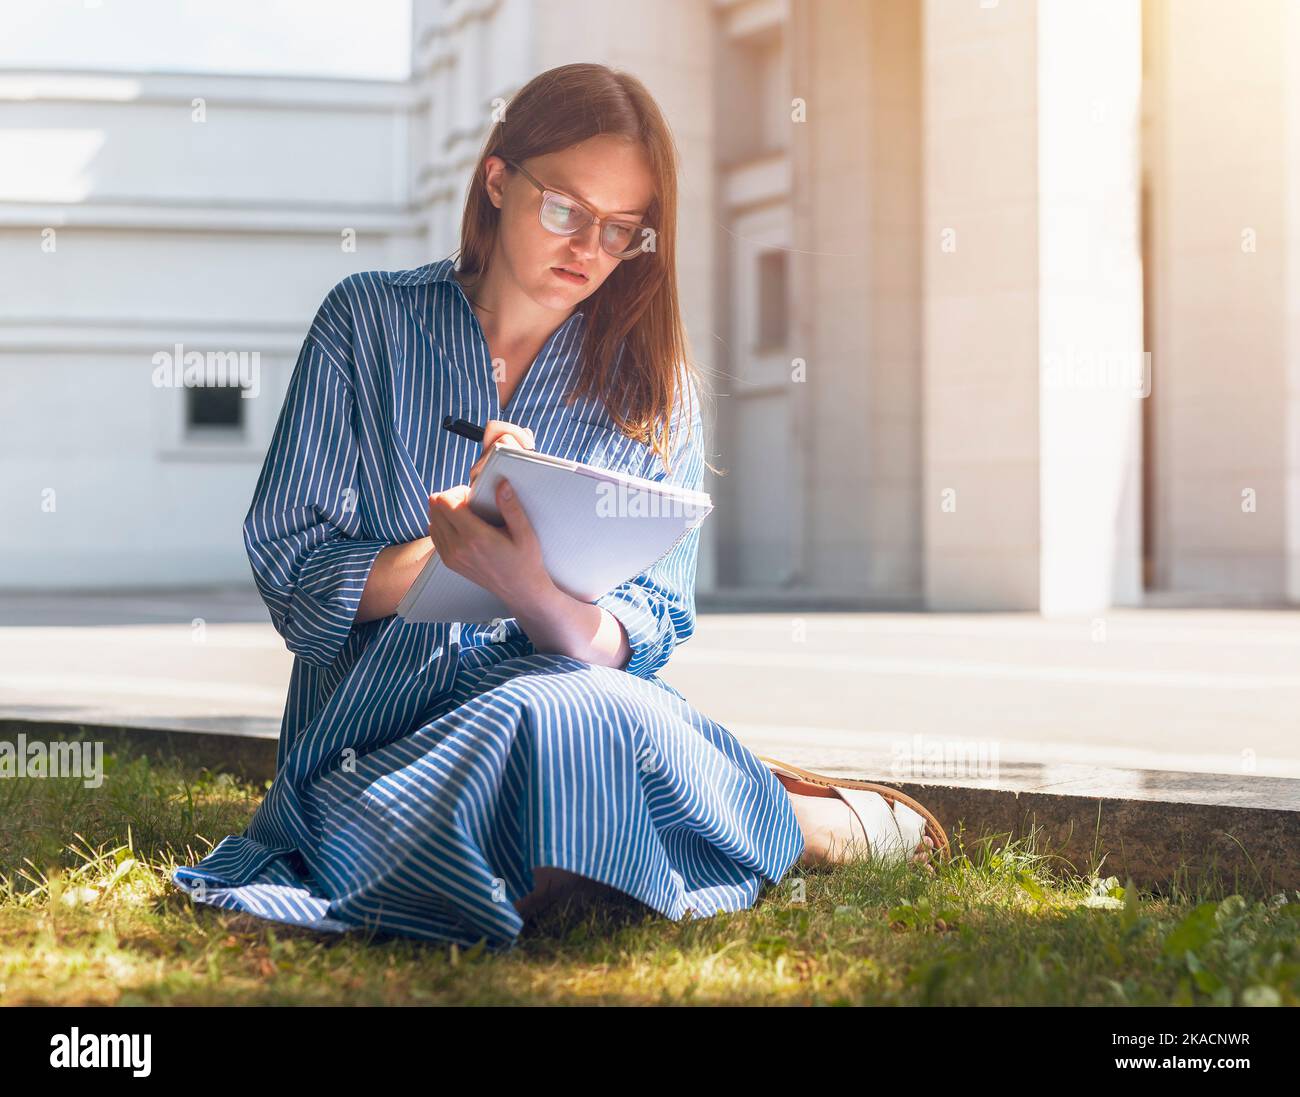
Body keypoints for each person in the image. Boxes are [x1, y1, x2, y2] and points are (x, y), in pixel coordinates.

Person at [172, 62, 942, 949]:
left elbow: (646, 627)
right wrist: (441, 554)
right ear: (498, 180)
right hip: (373, 738)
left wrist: (532, 587)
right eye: (565, 209)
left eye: (621, 230)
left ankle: (698, 808)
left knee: (565, 715)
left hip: (559, 699)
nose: (587, 250)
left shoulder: (655, 391)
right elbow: (292, 571)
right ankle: (766, 814)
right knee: (549, 800)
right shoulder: (366, 325)